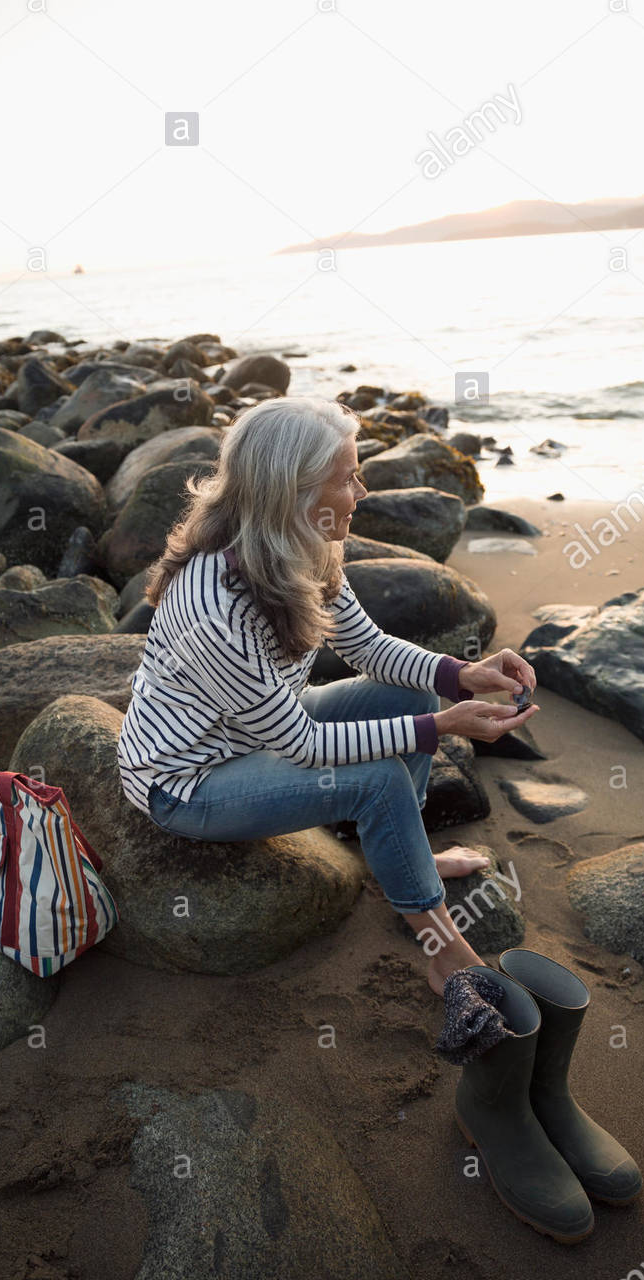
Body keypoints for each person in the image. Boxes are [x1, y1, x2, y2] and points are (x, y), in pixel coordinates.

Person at [116, 395, 539, 996]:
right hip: (192, 780)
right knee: (380, 778)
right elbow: (304, 745)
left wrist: (462, 676)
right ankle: (446, 954)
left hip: (258, 731)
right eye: (347, 478)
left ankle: (402, 854)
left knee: (409, 694)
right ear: (294, 490)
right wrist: (445, 728)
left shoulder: (298, 541)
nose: (362, 491)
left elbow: (368, 649)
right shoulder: (215, 606)